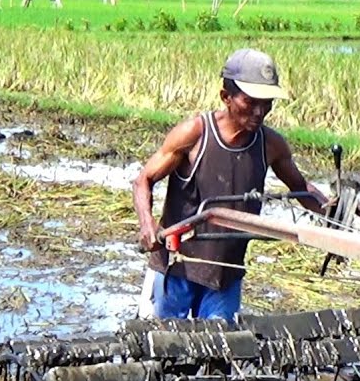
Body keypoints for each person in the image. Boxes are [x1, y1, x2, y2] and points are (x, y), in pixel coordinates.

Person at [132, 48, 326, 320]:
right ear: (226, 97)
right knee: (165, 350)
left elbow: (301, 187)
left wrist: (334, 215)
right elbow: (144, 180)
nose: (260, 111)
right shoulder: (195, 134)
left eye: (267, 102)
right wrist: (147, 224)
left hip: (226, 273)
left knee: (220, 353)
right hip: (176, 268)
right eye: (251, 102)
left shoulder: (270, 145)